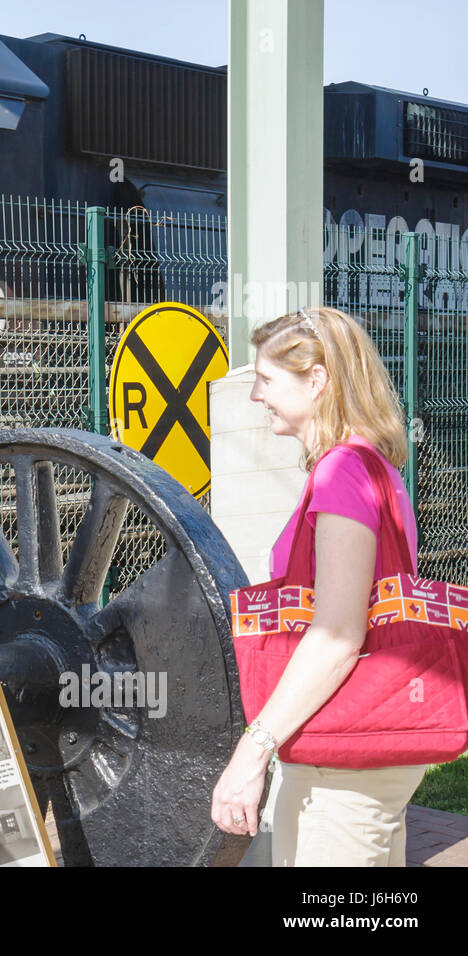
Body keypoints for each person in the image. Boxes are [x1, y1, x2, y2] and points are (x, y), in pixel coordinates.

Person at [210, 306, 425, 867]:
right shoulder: (375, 465)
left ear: (317, 380)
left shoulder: (342, 471)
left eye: (266, 380)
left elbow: (336, 636)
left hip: (343, 758)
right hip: (370, 746)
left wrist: (251, 753)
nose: (256, 396)